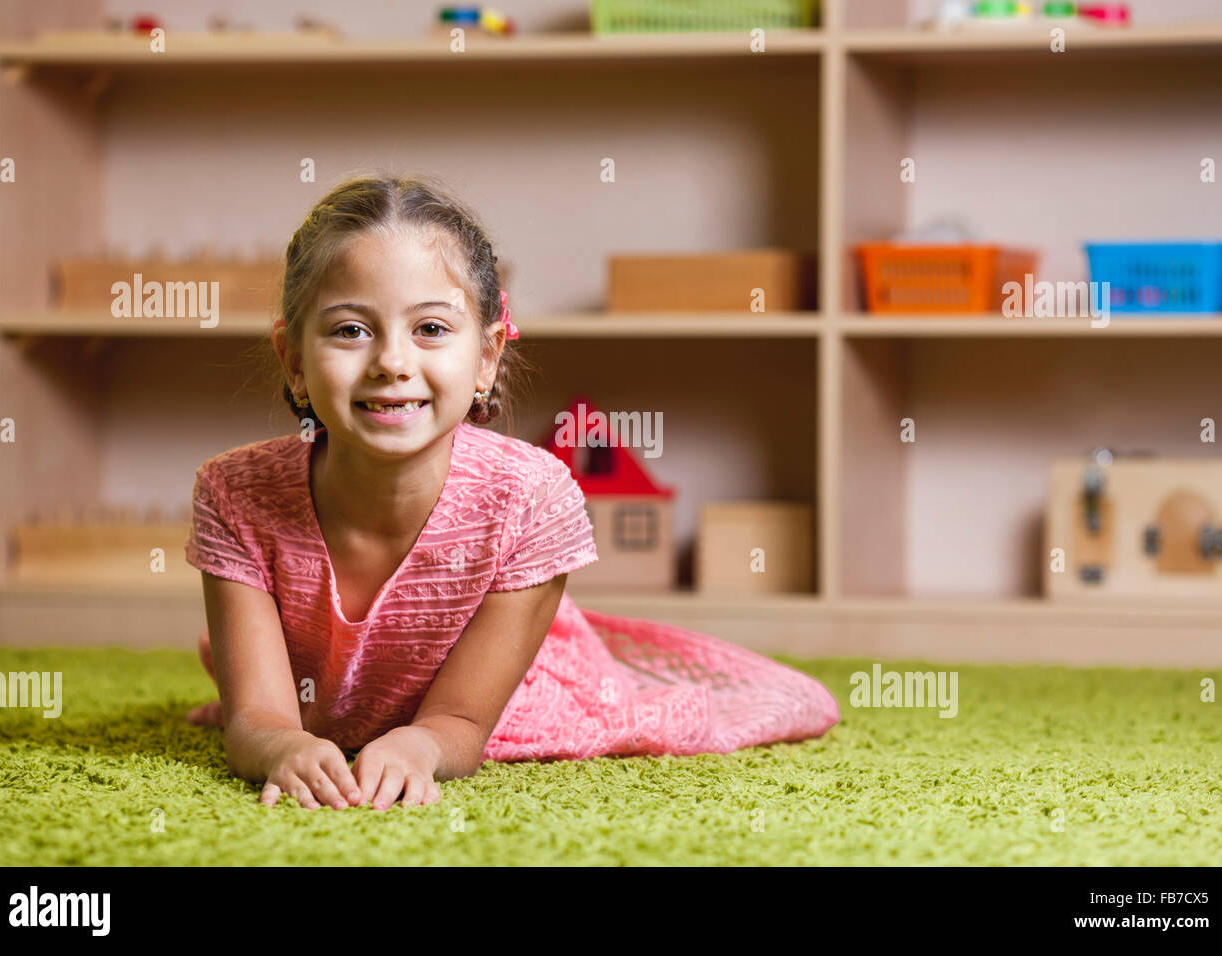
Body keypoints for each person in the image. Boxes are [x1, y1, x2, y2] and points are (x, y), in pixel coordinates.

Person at [184, 173, 840, 811]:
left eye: (432, 329)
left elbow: (462, 723)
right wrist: (278, 747)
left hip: (500, 693)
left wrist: (419, 746)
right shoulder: (232, 492)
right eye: (350, 329)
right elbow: (260, 719)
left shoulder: (529, 497)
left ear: (488, 357)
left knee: (762, 705)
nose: (391, 361)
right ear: (293, 358)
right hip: (327, 695)